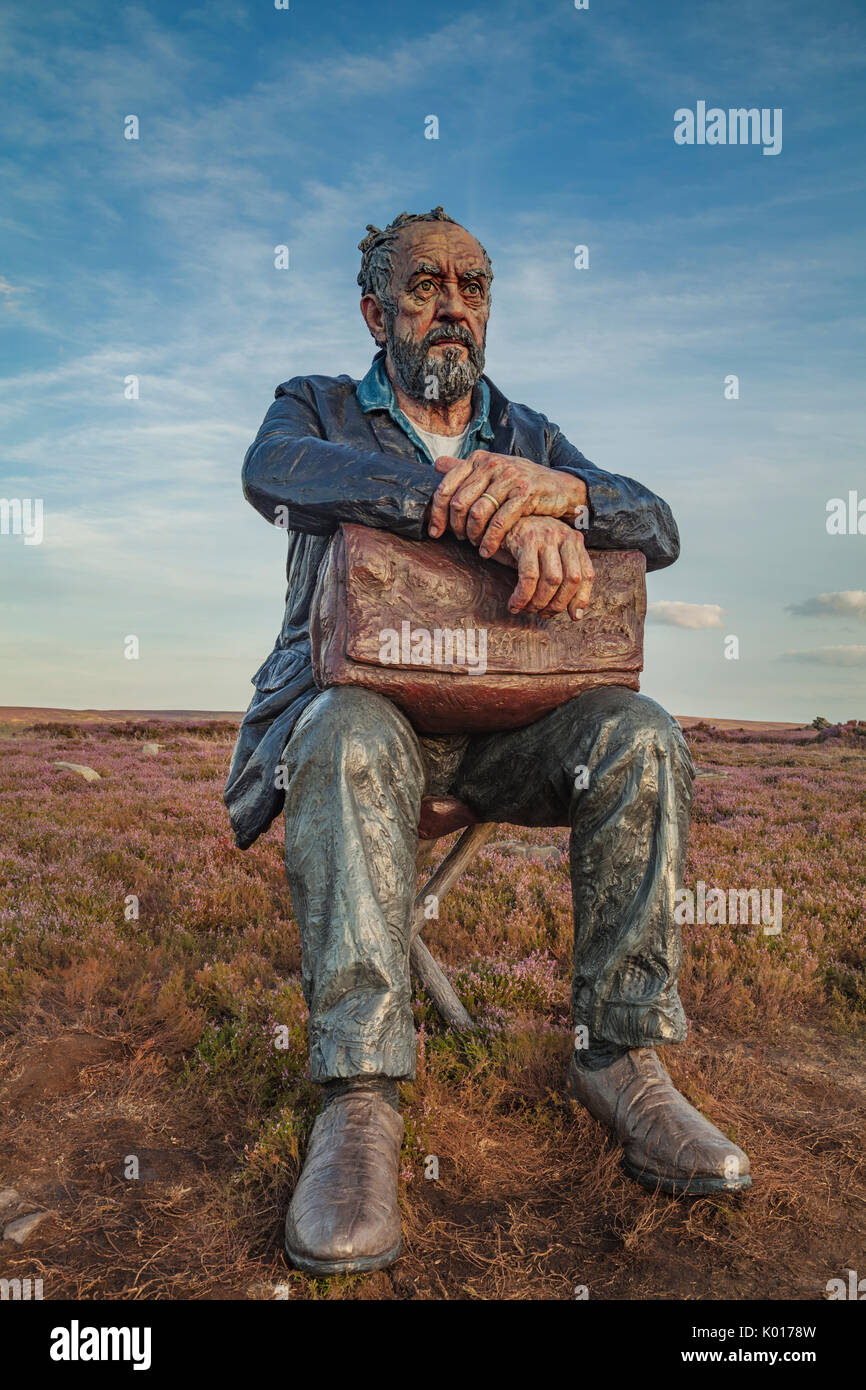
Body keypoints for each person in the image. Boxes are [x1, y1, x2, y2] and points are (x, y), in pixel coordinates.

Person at [224, 206, 750, 1277]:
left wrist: (565, 495)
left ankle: (620, 1057)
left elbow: (655, 524)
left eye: (472, 285)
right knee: (343, 730)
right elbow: (275, 472)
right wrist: (471, 508)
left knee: (640, 734)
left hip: (513, 738)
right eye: (424, 285)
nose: (452, 304)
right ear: (377, 311)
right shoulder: (315, 408)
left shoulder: (532, 435)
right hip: (365, 727)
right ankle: (359, 1097)